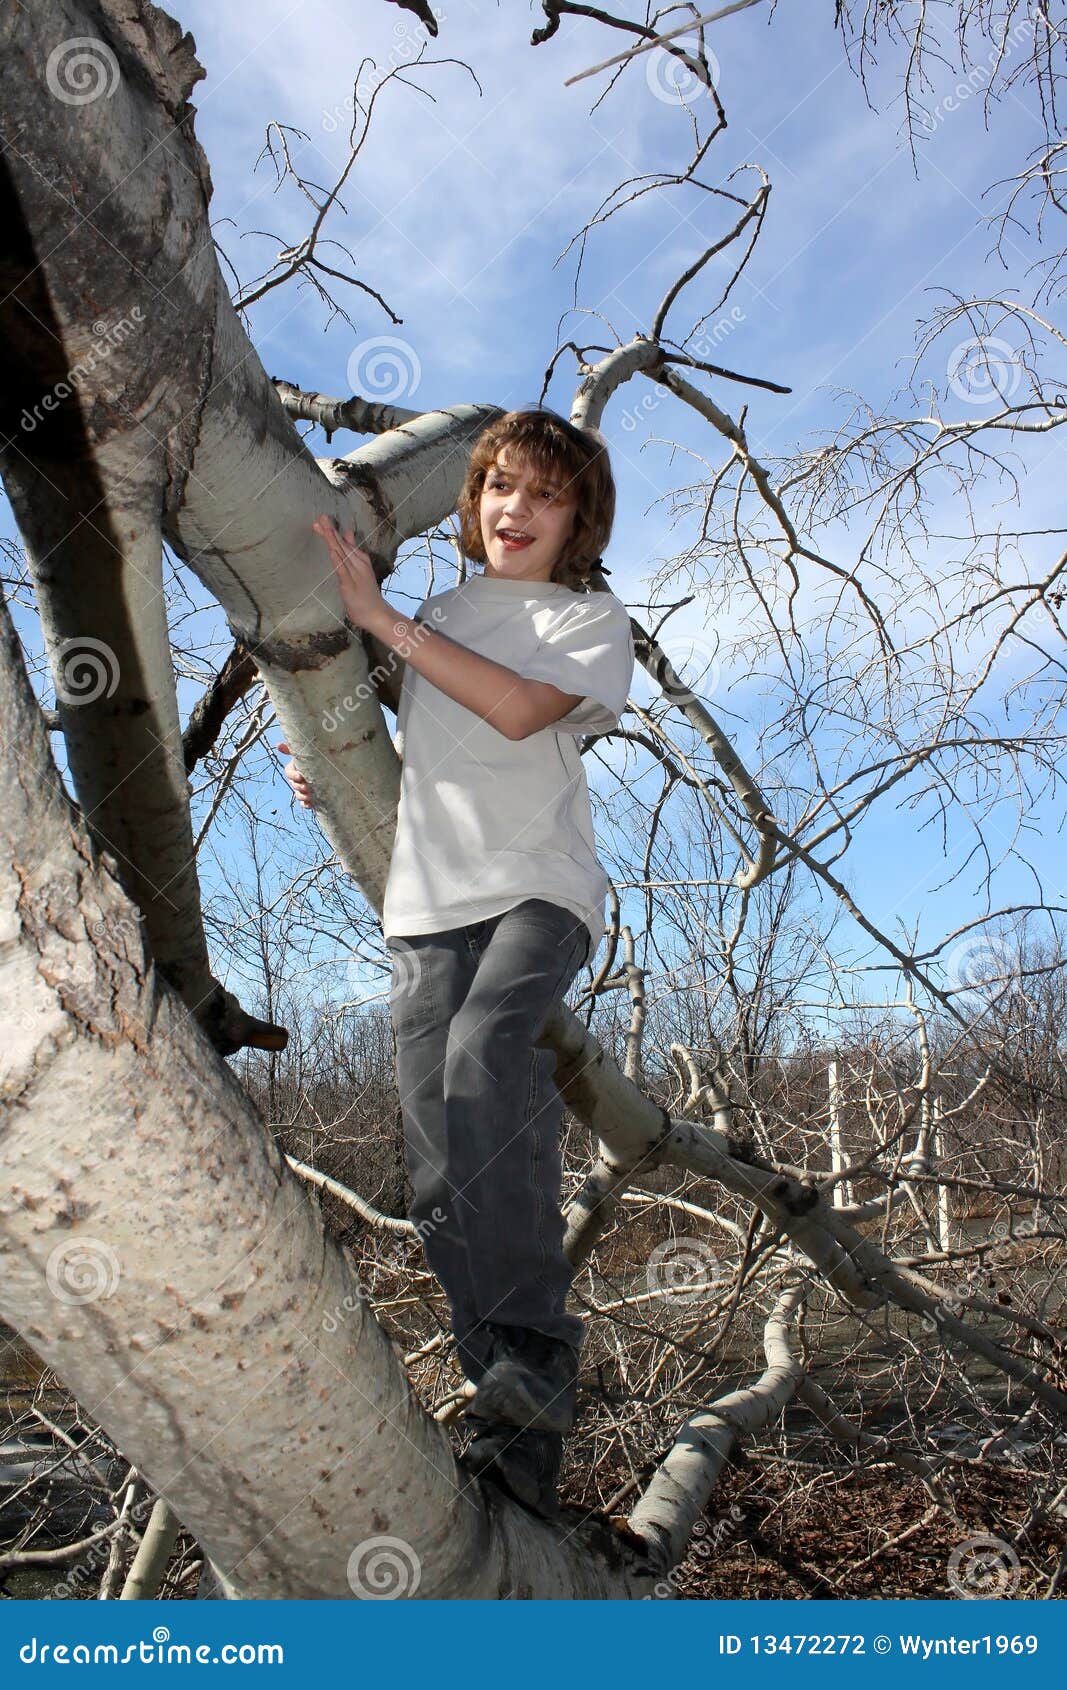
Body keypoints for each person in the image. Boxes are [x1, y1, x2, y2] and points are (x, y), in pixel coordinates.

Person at [278, 408, 635, 1520]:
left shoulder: (587, 621)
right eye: (497, 487)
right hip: (426, 908)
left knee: (485, 1059)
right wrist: (334, 759)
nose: (515, 509)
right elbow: (429, 735)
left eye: (545, 494)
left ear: (576, 520)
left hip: (538, 892)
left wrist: (379, 619)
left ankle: (538, 1364)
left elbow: (518, 712)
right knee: (437, 1168)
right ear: (472, 502)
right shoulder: (437, 617)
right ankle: (503, 1414)